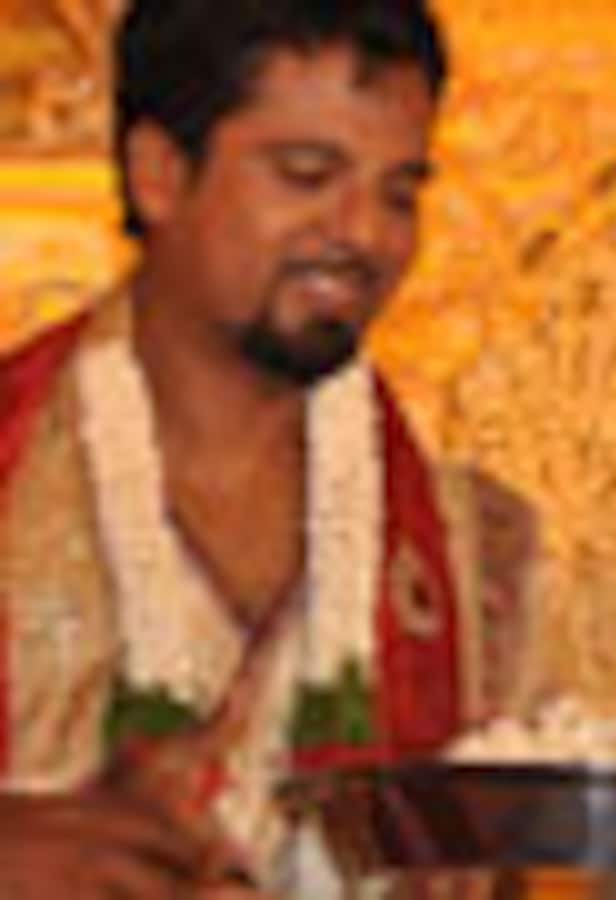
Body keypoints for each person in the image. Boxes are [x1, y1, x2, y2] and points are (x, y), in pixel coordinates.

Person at [0, 1, 535, 897]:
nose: (365, 234)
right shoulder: (18, 479)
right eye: (307, 174)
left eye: (399, 193)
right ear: (160, 174)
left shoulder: (478, 556)